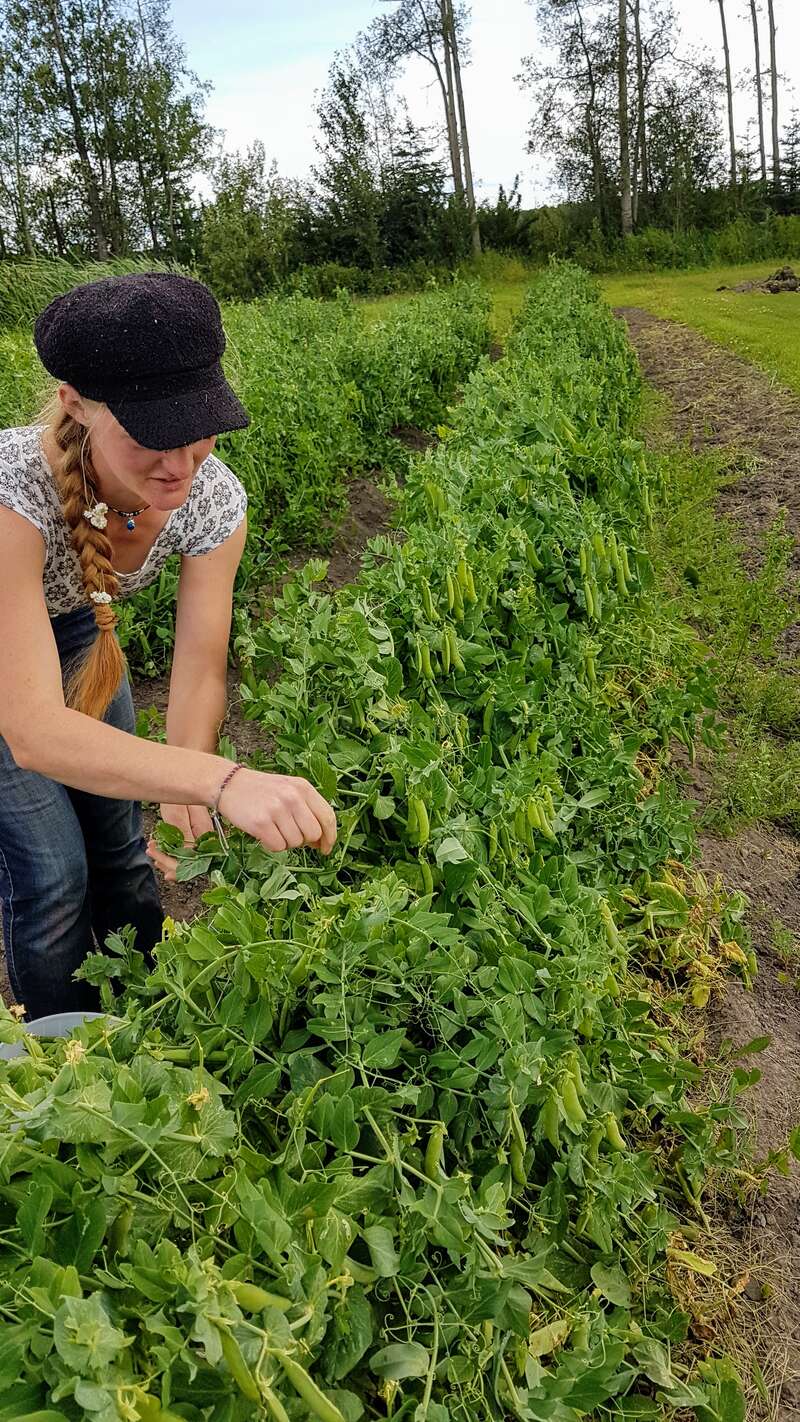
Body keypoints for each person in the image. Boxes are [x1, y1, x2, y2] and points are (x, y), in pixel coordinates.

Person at [0, 271, 336, 1020]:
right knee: (52, 873)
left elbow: (200, 664)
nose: (181, 465)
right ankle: (62, 1069)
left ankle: (148, 1022)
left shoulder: (211, 497)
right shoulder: (10, 498)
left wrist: (190, 795)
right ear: (76, 407)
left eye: (200, 430)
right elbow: (31, 731)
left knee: (122, 850)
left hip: (83, 622)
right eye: (150, 437)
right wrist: (223, 781)